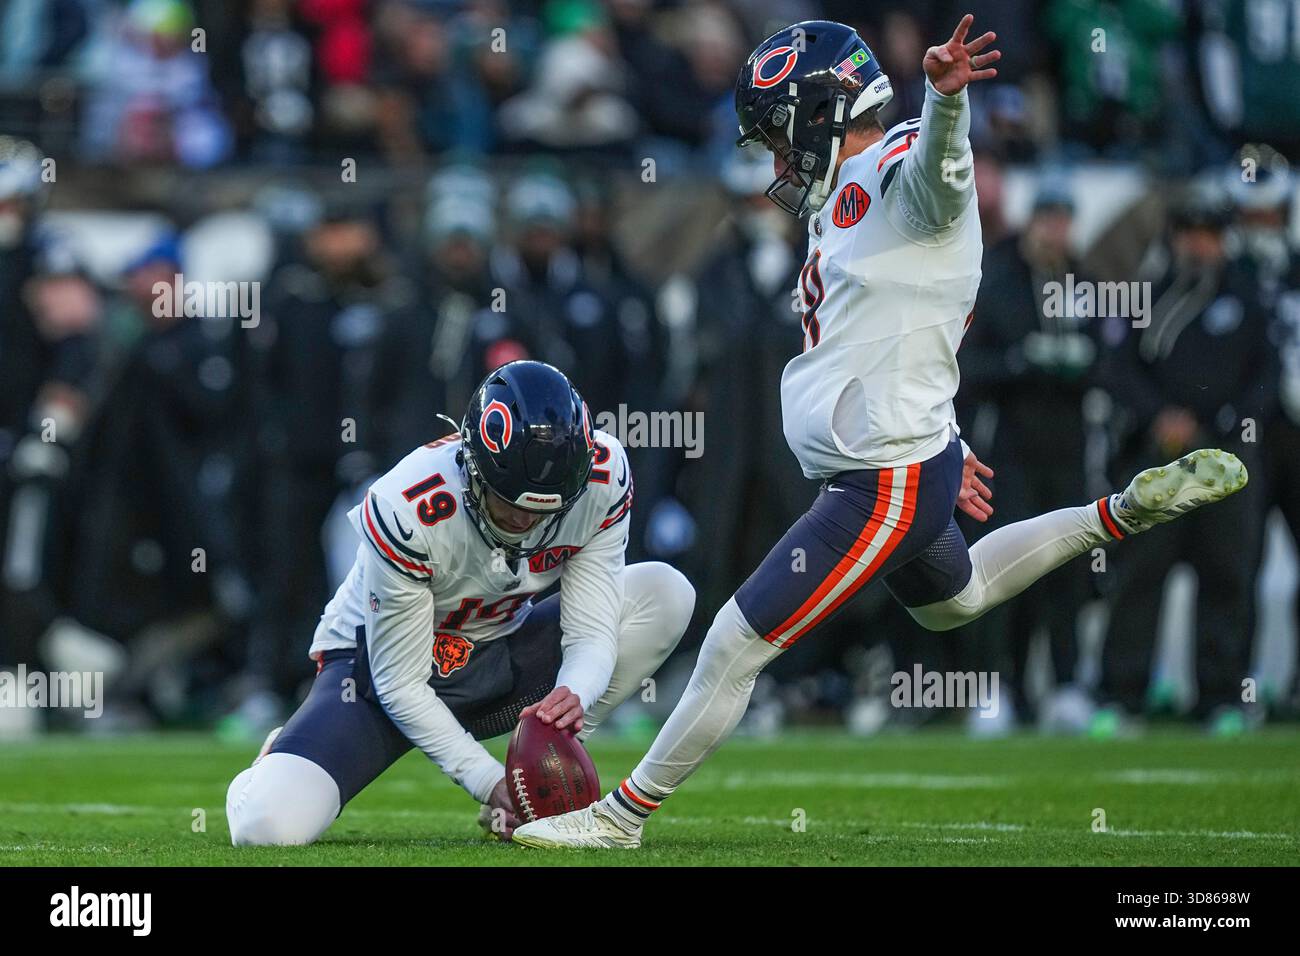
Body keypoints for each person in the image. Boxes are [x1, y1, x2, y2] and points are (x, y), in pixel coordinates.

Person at [512, 17, 1247, 850]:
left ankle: (621, 818)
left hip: (882, 476)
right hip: (900, 456)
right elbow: (900, 325)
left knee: (735, 640)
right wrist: (947, 435)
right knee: (957, 599)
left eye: (782, 140)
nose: (778, 165)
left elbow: (942, 176)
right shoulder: (850, 188)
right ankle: (1113, 515)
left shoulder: (905, 165)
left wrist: (943, 101)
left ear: (823, 113)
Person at [225, 361, 693, 845]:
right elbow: (399, 685)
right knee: (265, 829)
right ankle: (270, 765)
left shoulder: (602, 475)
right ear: (471, 466)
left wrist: (572, 694)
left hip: (500, 652)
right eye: (508, 501)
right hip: (376, 677)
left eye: (544, 508)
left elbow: (591, 631)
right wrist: (490, 782)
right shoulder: (408, 505)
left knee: (665, 594)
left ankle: (542, 764)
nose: (524, 519)